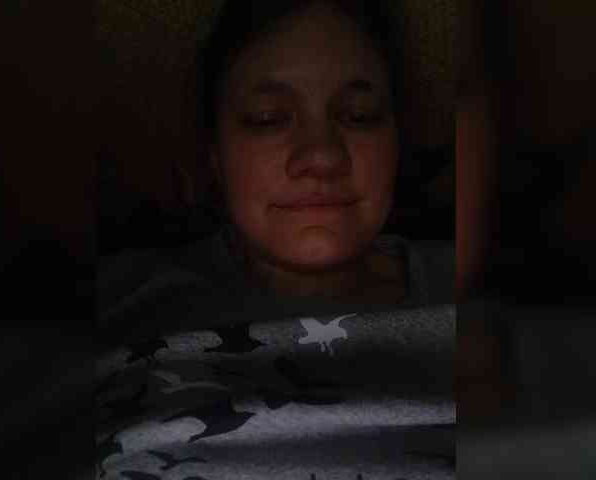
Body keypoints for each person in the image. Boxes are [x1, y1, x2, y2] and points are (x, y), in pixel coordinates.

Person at [96, 1, 455, 479]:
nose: (322, 156)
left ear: (397, 141)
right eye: (268, 118)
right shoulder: (121, 299)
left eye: (359, 115)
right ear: (214, 155)